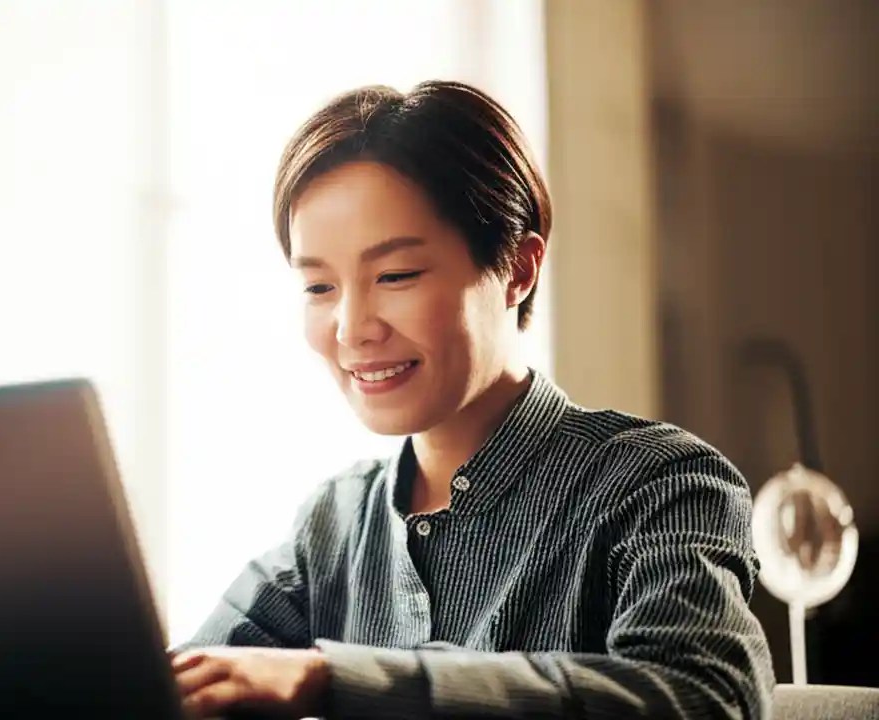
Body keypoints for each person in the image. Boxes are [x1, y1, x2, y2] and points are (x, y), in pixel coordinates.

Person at [171, 81, 775, 719]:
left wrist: (338, 679)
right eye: (319, 287)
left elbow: (708, 699)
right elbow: (184, 682)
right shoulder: (333, 524)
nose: (352, 329)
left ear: (517, 268)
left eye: (395, 276)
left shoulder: (658, 484)